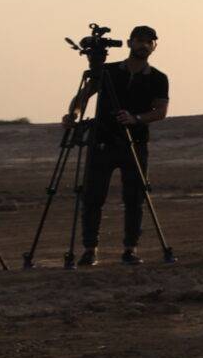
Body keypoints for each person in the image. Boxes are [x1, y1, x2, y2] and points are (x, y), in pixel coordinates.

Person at [64, 25, 169, 266]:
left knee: (134, 198)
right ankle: (90, 249)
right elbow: (83, 97)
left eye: (148, 41)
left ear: (154, 45)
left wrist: (136, 119)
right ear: (130, 43)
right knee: (92, 198)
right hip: (102, 141)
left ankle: (130, 249)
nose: (143, 45)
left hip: (135, 143)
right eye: (139, 40)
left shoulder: (158, 78)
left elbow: (160, 111)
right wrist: (73, 114)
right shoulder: (107, 72)